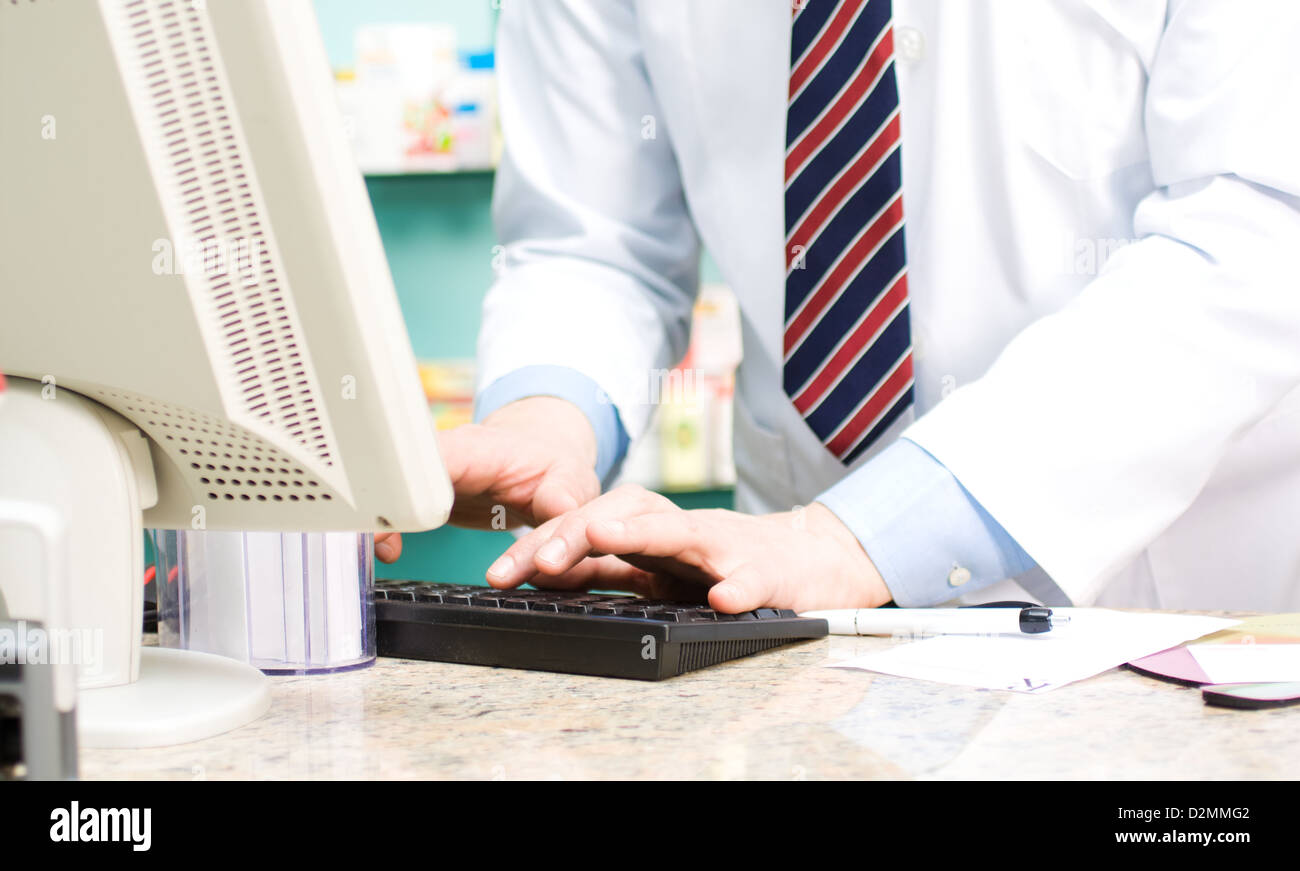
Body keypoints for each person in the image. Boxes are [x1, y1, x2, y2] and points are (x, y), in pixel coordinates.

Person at [378, 0, 1300, 614]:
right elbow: (593, 237)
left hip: (1179, 607)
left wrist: (859, 534)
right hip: (788, 610)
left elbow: (1254, 230)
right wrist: (548, 422)